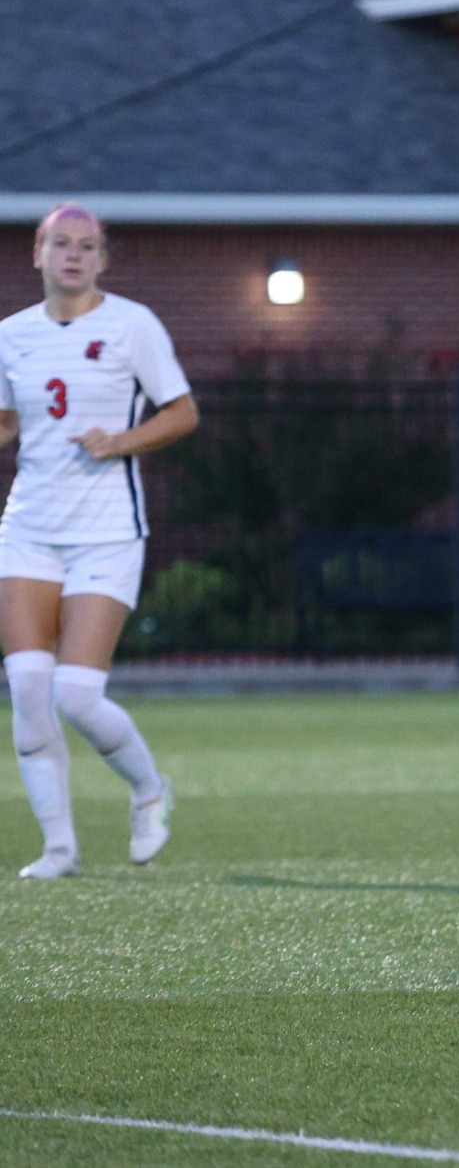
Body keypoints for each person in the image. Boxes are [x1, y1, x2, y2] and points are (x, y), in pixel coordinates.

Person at [3, 203, 199, 879]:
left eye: (87, 246)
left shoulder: (131, 325)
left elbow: (182, 412)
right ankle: (60, 848)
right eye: (61, 243)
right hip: (29, 529)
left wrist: (119, 441)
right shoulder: (11, 335)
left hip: (106, 532)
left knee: (77, 695)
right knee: (28, 689)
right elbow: (7, 421)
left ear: (102, 260)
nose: (74, 255)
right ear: (39, 253)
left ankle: (149, 790)